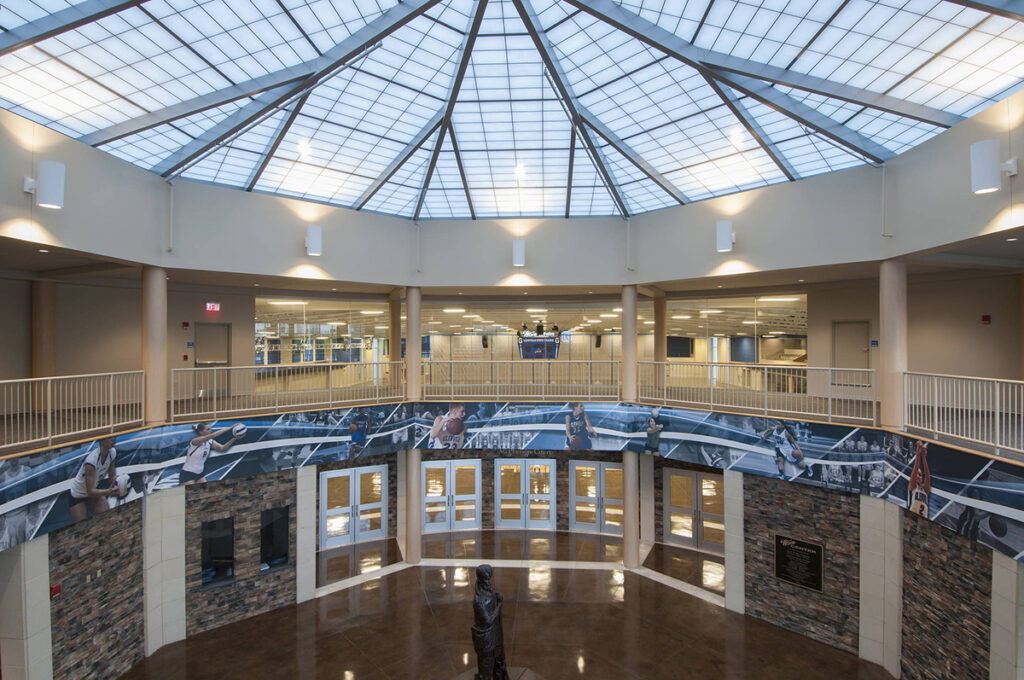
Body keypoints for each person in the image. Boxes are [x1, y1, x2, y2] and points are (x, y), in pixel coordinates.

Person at [67, 436, 119, 523]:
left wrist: (120, 483)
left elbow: (112, 478)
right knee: (81, 527)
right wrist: (108, 492)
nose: (113, 439)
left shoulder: (112, 453)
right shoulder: (91, 461)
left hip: (94, 492)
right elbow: (90, 491)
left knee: (106, 519)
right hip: (77, 494)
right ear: (101, 441)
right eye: (109, 437)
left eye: (113, 436)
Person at [471, 564, 510, 680]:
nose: (489, 582)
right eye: (486, 579)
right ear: (481, 579)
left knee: (499, 665)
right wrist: (499, 605)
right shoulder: (479, 601)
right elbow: (487, 621)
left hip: (496, 637)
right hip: (486, 641)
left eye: (489, 578)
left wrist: (496, 598)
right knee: (486, 670)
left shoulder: (489, 592)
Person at [907, 440, 931, 517]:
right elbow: (916, 466)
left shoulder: (925, 490)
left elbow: (927, 476)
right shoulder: (912, 486)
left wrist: (924, 457)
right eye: (916, 474)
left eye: (920, 475)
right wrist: (918, 452)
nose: (917, 476)